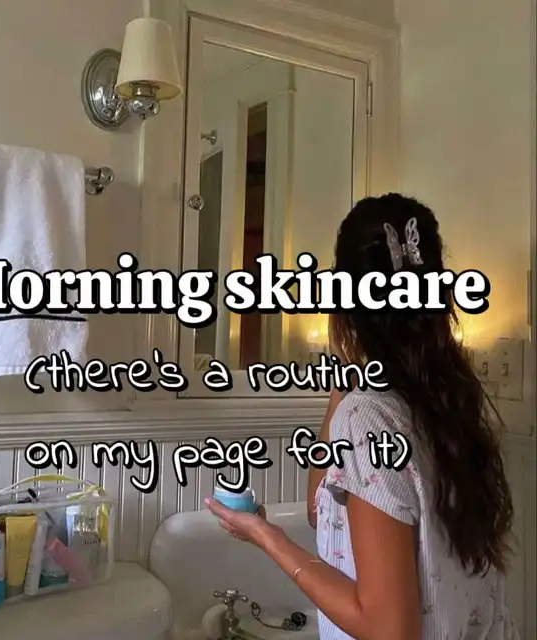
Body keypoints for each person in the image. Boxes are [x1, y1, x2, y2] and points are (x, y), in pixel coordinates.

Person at [205, 194, 518, 640]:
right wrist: (346, 377)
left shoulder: (369, 416)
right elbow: (322, 513)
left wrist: (267, 538)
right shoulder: (449, 398)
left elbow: (388, 630)